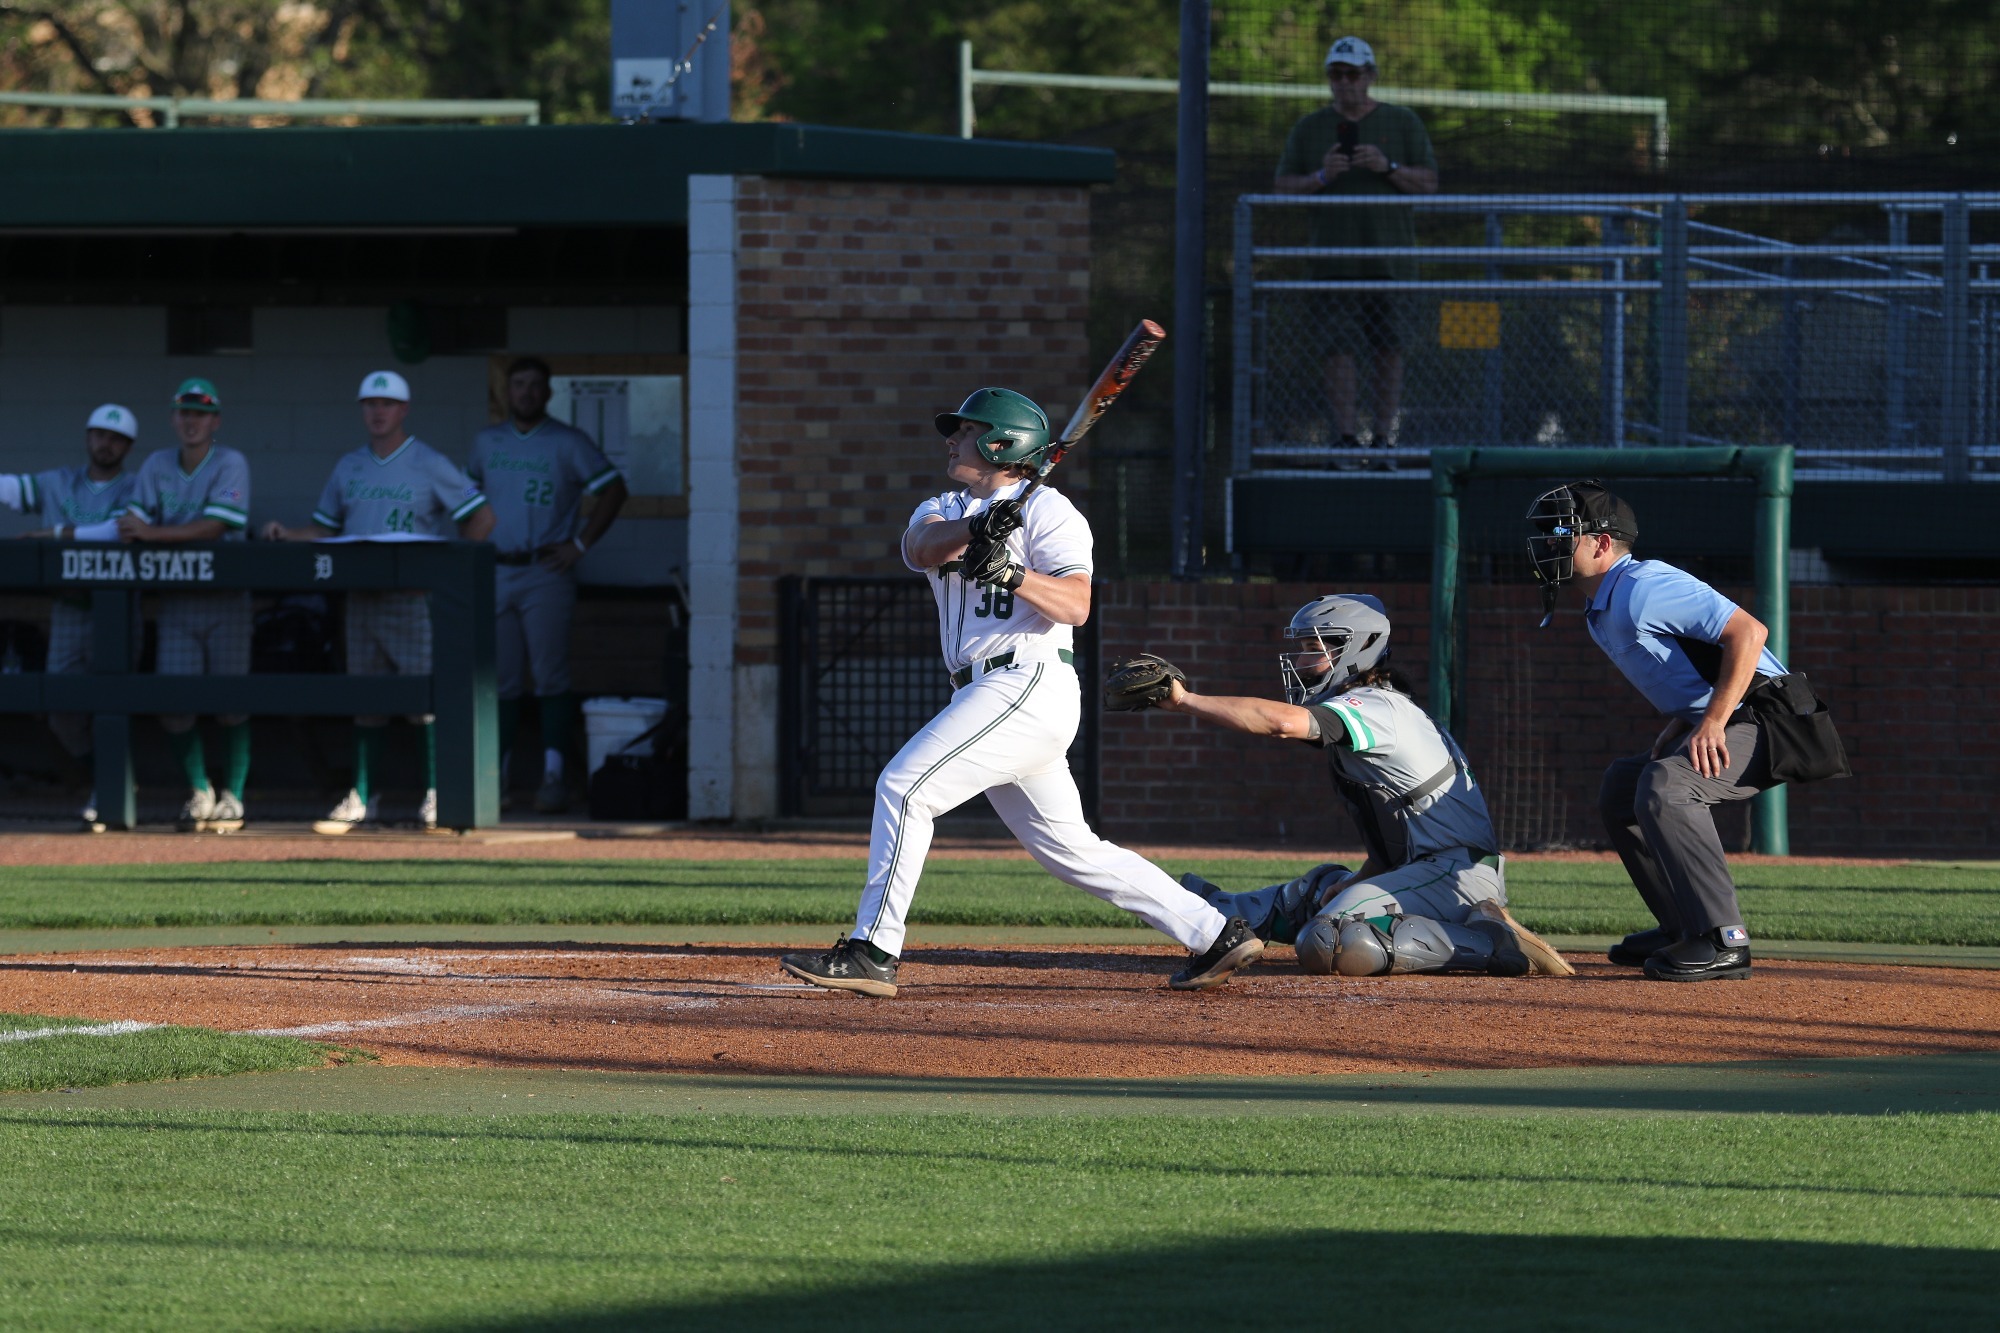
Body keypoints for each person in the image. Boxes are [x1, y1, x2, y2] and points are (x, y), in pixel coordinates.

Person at [780, 387, 1265, 997]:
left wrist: (1012, 571)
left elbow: (1076, 605)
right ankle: (1214, 933)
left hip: (1025, 681)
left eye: (964, 431)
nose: (952, 439)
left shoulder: (1051, 512)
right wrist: (981, 526)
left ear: (999, 443)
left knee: (903, 789)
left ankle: (873, 951)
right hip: (983, 692)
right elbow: (919, 548)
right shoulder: (945, 505)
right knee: (1071, 849)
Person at [1136, 595, 1559, 979]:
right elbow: (1395, 830)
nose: (1302, 660)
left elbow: (1281, 723)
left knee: (1331, 938)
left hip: (1456, 876)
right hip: (1426, 869)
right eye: (1301, 648)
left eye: (1313, 649)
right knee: (1316, 892)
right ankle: (1219, 916)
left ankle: (1492, 941)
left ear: (1354, 649)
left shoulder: (1376, 706)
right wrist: (1363, 878)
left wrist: (1183, 700)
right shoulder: (1374, 705)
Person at [1525, 480, 1791, 982]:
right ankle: (1680, 926)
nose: (1550, 541)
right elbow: (1695, 666)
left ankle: (1722, 939)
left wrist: (1710, 720)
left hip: (1777, 720)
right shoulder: (1601, 606)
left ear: (1603, 543)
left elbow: (1749, 633)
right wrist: (1684, 722)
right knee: (1622, 787)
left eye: (1565, 531)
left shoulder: (1644, 585)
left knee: (1666, 787)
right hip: (1735, 714)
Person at [263, 370, 493, 832]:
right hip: (362, 598)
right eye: (369, 403)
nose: (378, 411)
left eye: (386, 404)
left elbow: (481, 516)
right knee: (366, 701)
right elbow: (325, 528)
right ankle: (363, 795)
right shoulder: (349, 465)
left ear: (403, 410)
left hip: (411, 600)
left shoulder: (430, 461)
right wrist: (288, 534)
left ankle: (436, 792)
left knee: (424, 703)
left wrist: (447, 575)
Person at [468, 357, 628, 813]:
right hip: (496, 566)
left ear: (548, 392)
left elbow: (614, 488)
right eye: (519, 384)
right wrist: (470, 551)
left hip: (545, 570)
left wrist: (579, 544)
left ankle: (553, 776)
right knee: (499, 679)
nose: (527, 392)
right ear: (508, 391)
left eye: (535, 385)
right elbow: (464, 501)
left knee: (550, 675)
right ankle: (492, 780)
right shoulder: (486, 441)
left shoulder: (567, 441)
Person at [1273, 36, 1438, 457]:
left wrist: (1388, 167)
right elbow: (1281, 191)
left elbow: (1429, 184)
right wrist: (1322, 176)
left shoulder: (1403, 123)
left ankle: (1385, 439)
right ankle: (1345, 440)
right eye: (1336, 74)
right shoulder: (1309, 128)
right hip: (1332, 262)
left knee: (1389, 347)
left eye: (1352, 74)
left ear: (1370, 76)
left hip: (1391, 261)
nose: (1344, 83)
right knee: (1338, 348)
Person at [119, 378, 254, 832]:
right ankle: (200, 790)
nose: (192, 421)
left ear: (215, 421)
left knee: (231, 701)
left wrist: (152, 534)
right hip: (176, 599)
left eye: (201, 413)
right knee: (174, 702)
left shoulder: (231, 461)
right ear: (175, 418)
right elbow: (133, 518)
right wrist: (139, 528)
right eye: (185, 412)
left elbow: (216, 525)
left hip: (226, 597)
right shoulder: (157, 463)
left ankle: (233, 795)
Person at [0, 403, 140, 829]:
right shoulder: (59, 482)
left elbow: (123, 530)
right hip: (68, 610)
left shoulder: (136, 486)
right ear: (87, 437)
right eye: (99, 434)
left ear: (128, 446)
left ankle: (109, 788)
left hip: (117, 611)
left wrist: (57, 534)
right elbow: (7, 488)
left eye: (115, 438)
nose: (106, 443)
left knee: (110, 705)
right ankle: (108, 775)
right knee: (61, 709)